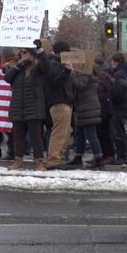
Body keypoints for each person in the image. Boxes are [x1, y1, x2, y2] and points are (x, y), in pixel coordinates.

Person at [3, 44, 50, 170]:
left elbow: (46, 66)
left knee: (36, 137)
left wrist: (40, 51)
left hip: (34, 107)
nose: (22, 54)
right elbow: (7, 78)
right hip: (18, 107)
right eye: (22, 52)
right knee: (18, 136)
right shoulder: (18, 70)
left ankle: (39, 161)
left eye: (25, 52)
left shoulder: (38, 70)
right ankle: (18, 160)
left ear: (32, 55)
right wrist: (19, 65)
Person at [62, 61, 105, 169]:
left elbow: (79, 86)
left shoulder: (86, 74)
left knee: (90, 134)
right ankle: (78, 156)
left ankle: (98, 157)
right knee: (80, 133)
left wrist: (72, 73)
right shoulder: (88, 74)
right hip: (84, 107)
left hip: (88, 108)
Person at [43, 39, 76, 167]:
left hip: (64, 100)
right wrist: (66, 71)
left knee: (65, 132)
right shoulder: (53, 64)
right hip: (58, 101)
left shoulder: (58, 64)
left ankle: (59, 157)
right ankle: (53, 158)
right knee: (59, 132)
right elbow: (55, 82)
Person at [106, 52, 127, 164]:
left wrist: (110, 97)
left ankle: (121, 157)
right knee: (122, 132)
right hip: (125, 105)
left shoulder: (117, 74)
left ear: (114, 61)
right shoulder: (126, 73)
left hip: (118, 107)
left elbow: (117, 91)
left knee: (118, 133)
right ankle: (123, 156)